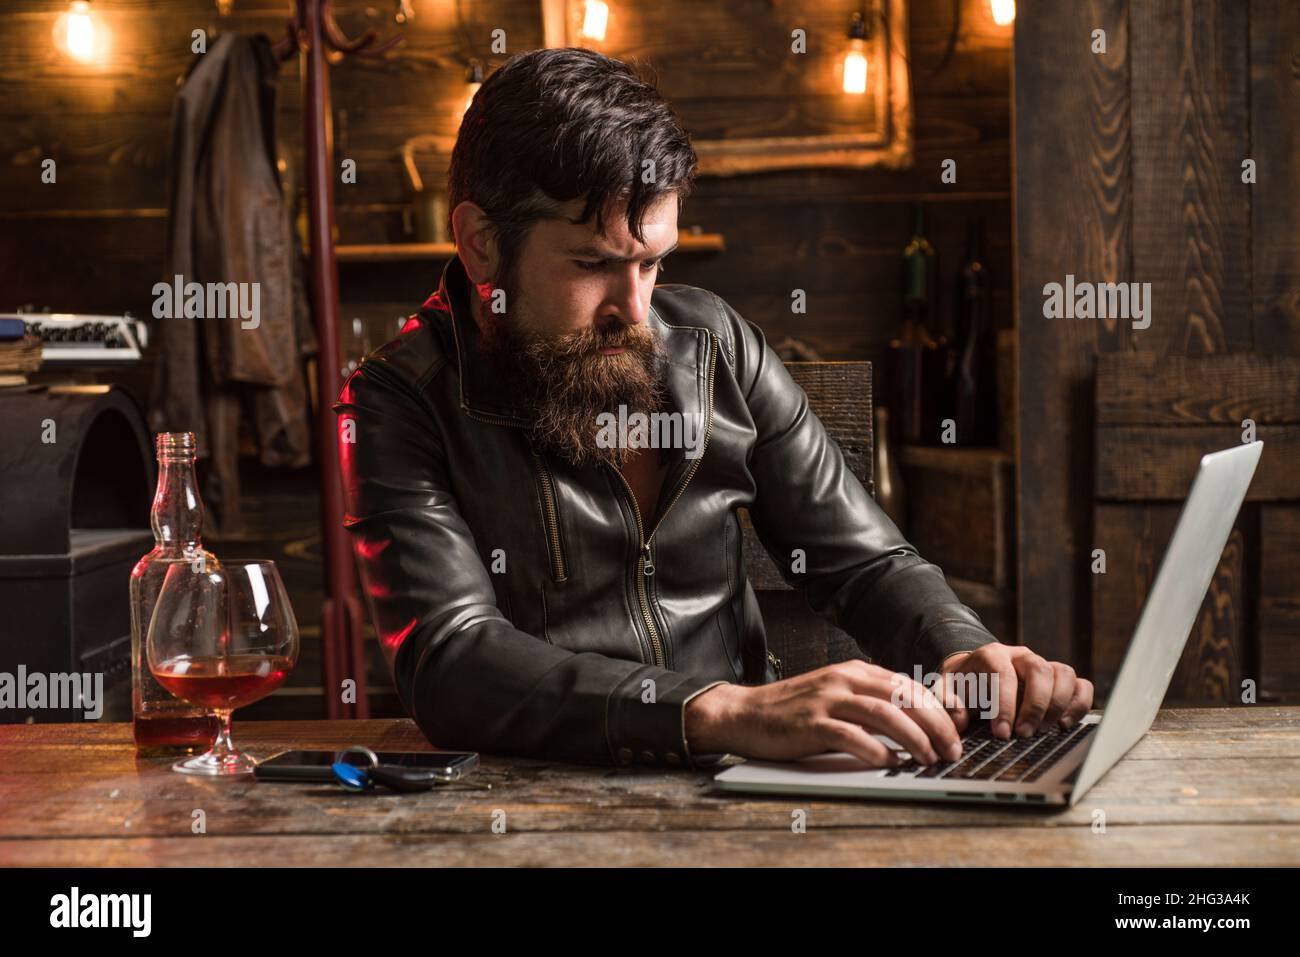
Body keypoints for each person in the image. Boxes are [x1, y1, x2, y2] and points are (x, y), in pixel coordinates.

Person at [334, 47, 1092, 770]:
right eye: (593, 264)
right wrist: (720, 711)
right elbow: (452, 660)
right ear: (479, 244)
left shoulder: (717, 346)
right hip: (525, 806)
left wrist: (962, 650)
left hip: (745, 789)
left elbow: (866, 563)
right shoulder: (399, 400)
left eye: (653, 263)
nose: (634, 309)